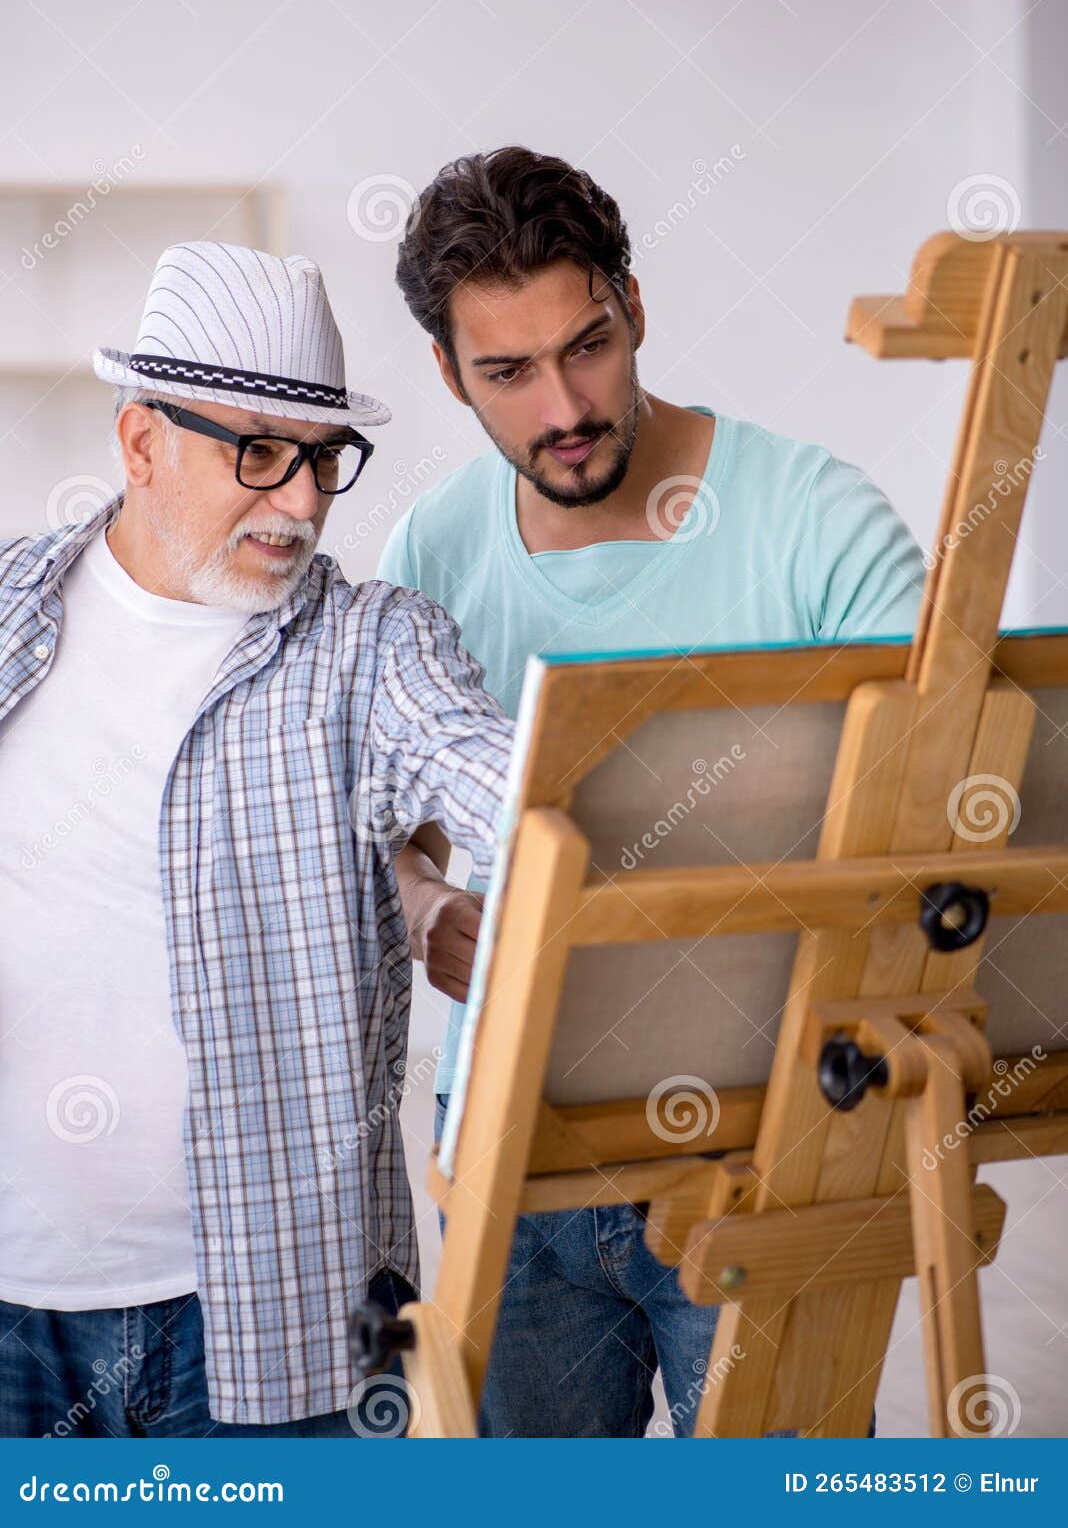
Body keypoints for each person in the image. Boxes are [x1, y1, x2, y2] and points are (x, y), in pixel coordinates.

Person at [378, 146, 925, 1437]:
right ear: (450, 374)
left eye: (589, 346)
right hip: (519, 1143)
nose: (565, 404)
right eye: (508, 373)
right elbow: (391, 835)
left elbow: (943, 805)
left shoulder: (815, 521)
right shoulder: (434, 551)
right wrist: (417, 908)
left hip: (771, 1140)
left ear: (634, 307)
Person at [0, 241, 513, 1437]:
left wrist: (550, 866)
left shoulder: (374, 646)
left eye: (324, 459)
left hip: (286, 1313)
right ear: (140, 443)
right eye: (260, 454)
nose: (301, 503)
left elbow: (495, 775)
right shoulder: (10, 605)